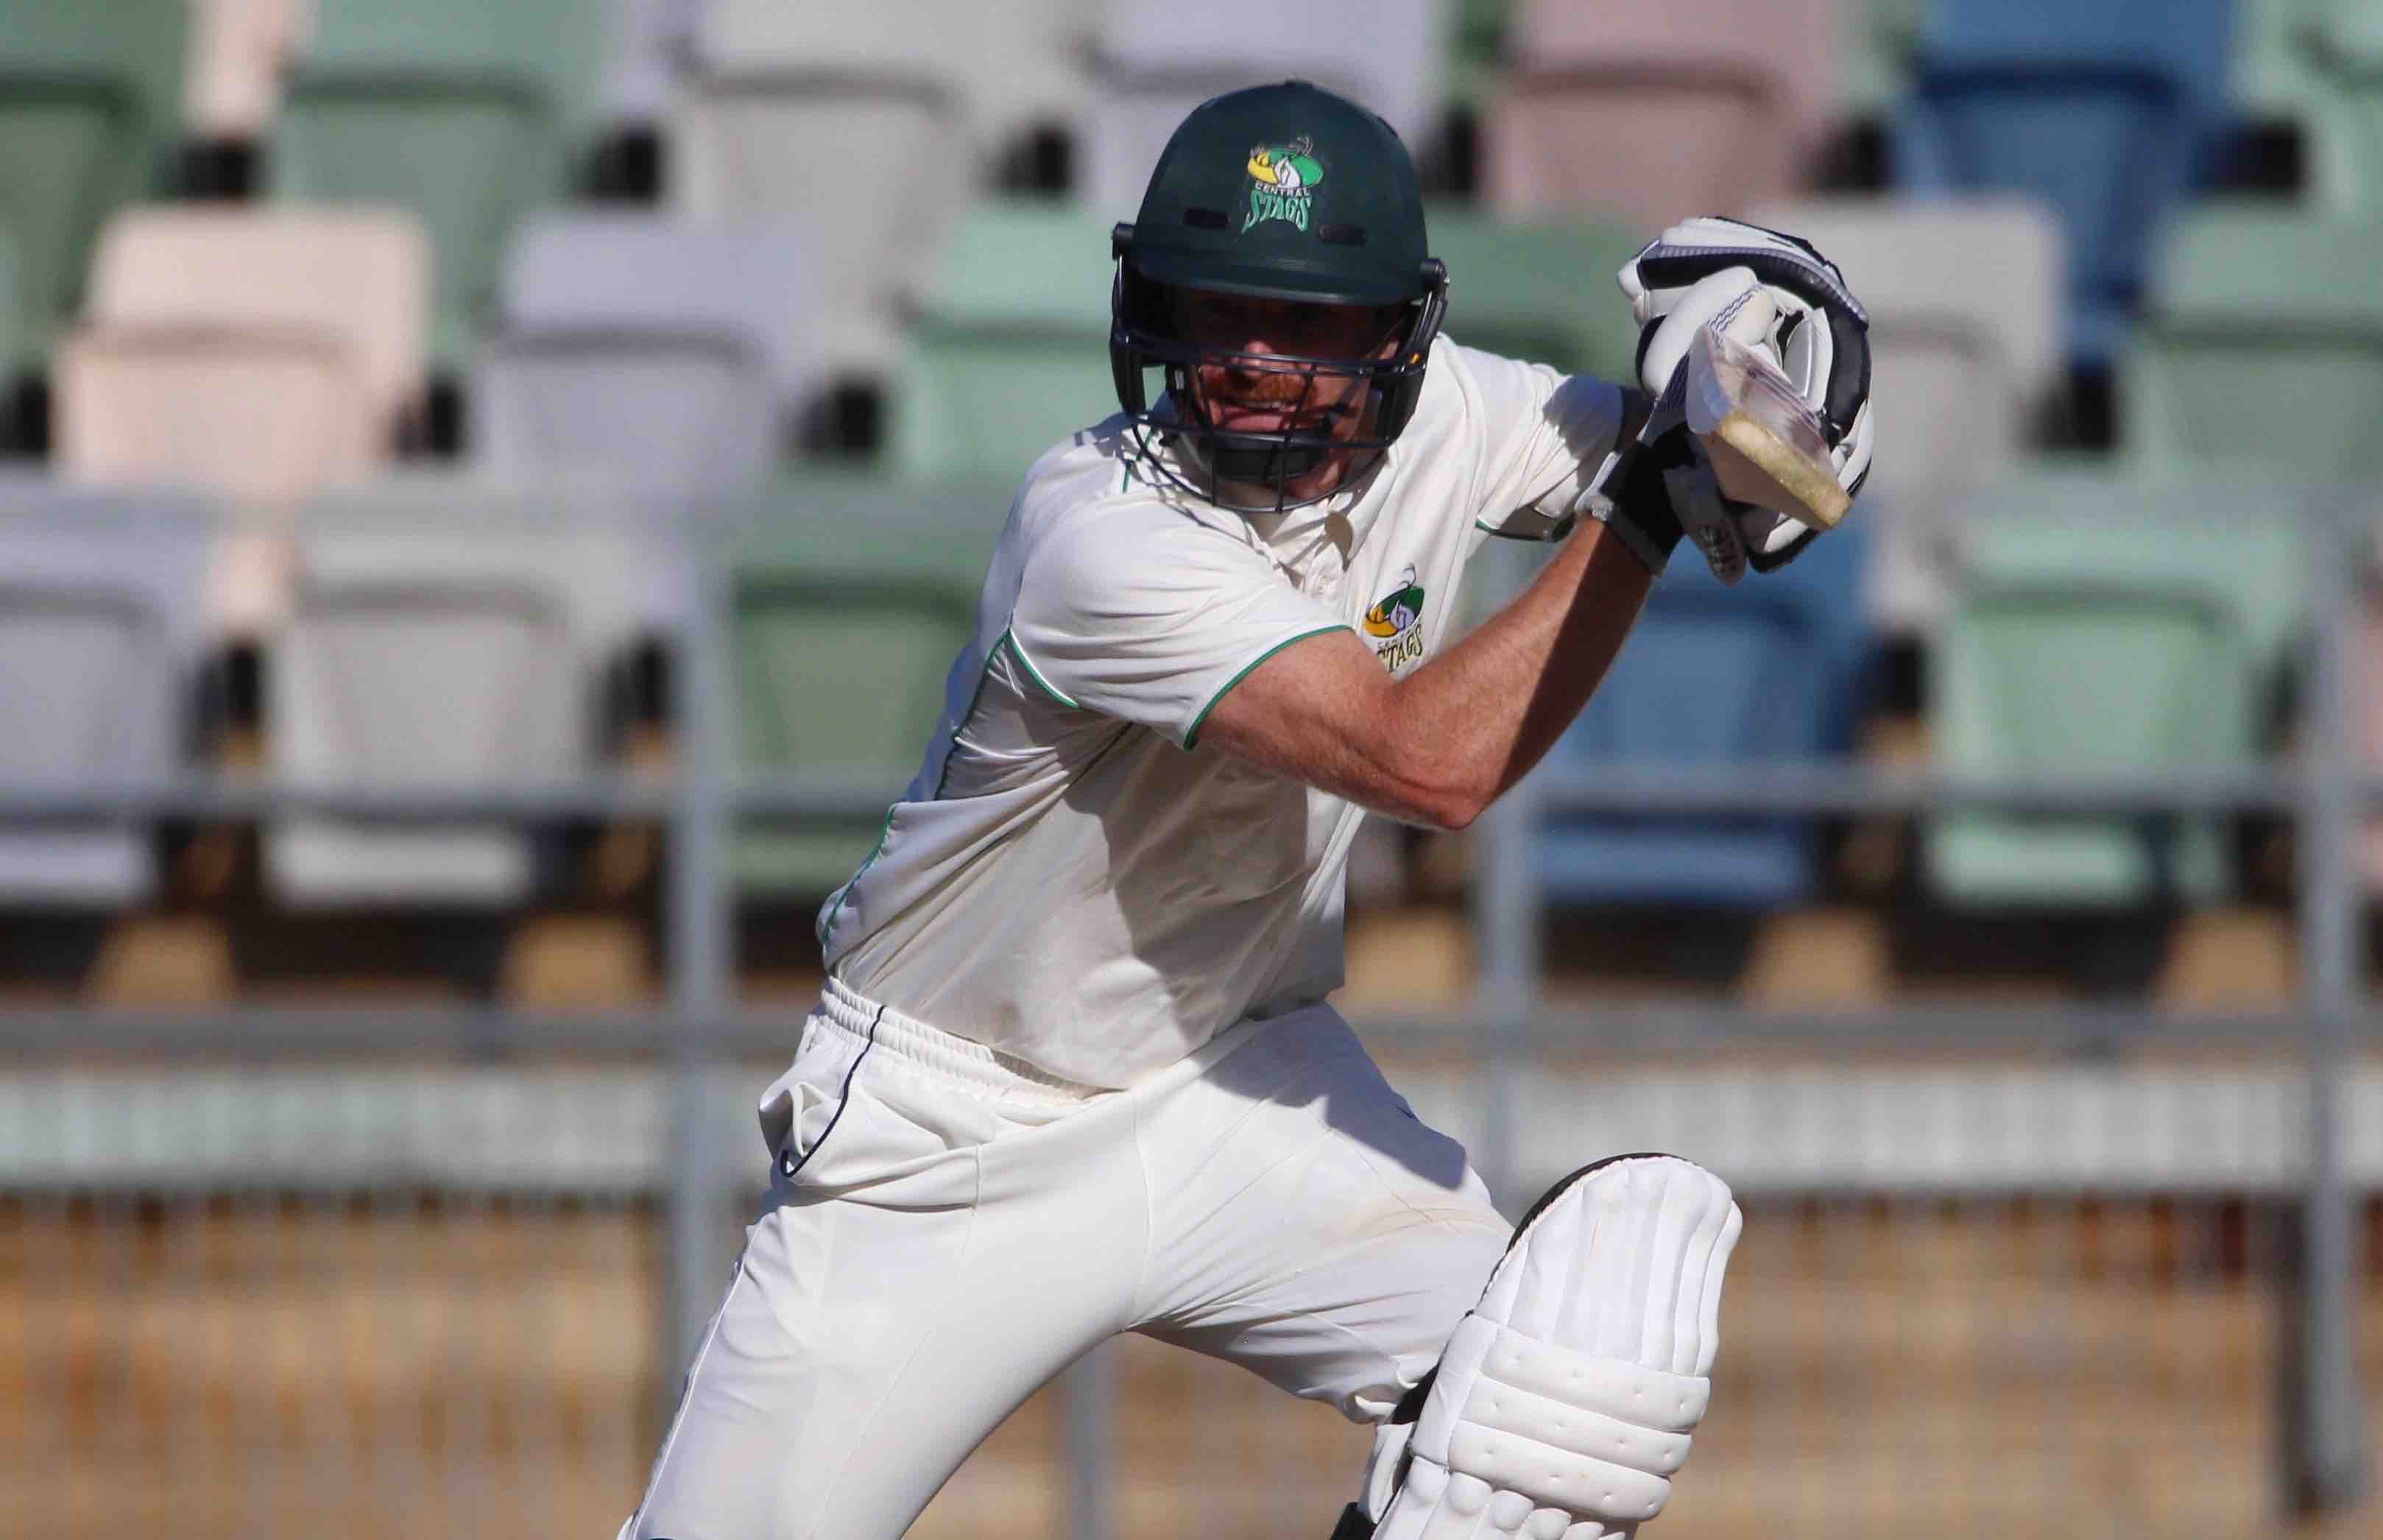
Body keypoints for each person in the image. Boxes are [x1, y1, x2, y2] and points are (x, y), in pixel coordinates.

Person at [619, 80, 1874, 1540]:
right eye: (1220, 312)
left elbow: (1675, 459)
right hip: (952, 1134)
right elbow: (1428, 762)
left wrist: (1758, 412)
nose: (1258, 362)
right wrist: (1659, 506)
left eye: (1312, 323)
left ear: (1397, 331)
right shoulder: (1100, 533)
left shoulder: (1451, 410)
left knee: (1558, 1391)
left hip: (1235, 1084)